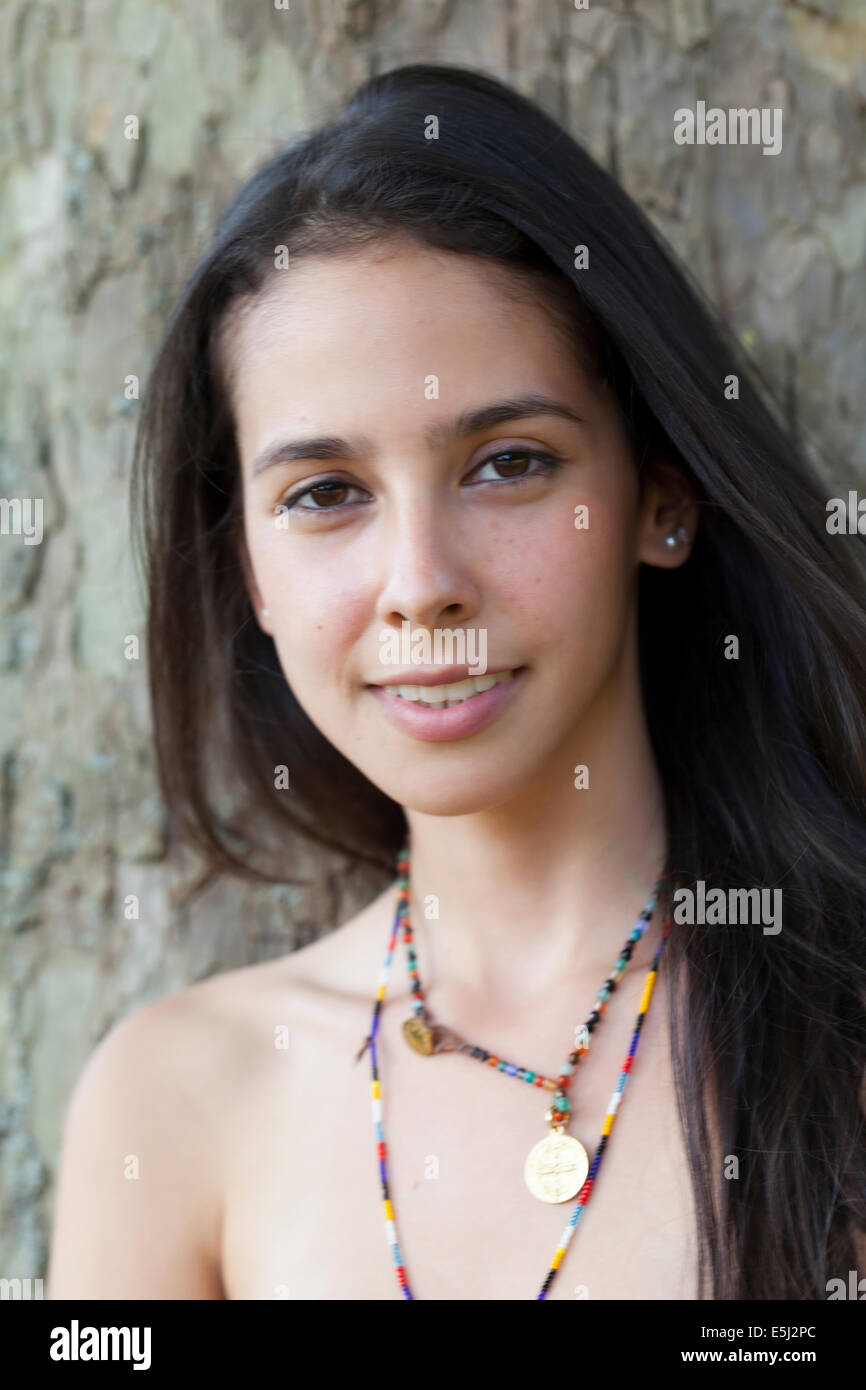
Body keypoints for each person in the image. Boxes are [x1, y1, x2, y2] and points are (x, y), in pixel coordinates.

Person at [48, 63, 866, 1301]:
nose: (420, 581)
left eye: (506, 464)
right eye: (324, 494)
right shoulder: (171, 1108)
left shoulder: (837, 1028)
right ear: (249, 572)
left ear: (661, 490)